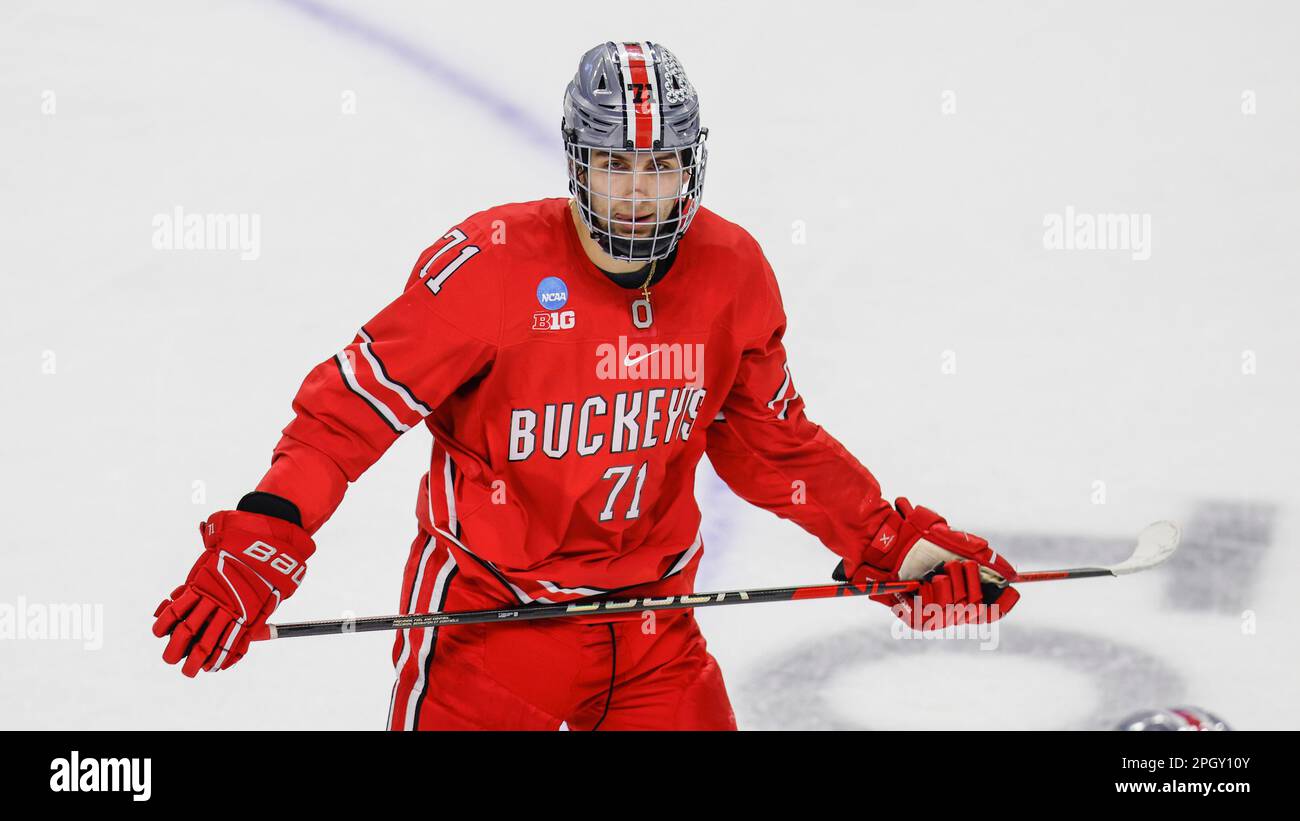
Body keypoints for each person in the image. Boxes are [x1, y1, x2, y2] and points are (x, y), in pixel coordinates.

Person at [152, 40, 1021, 730]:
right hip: (489, 633)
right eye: (614, 163)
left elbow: (773, 444)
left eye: (662, 163)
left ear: (693, 163)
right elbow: (348, 411)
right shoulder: (490, 268)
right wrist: (264, 534)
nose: (640, 192)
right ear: (576, 159)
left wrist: (897, 550)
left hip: (656, 638)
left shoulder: (733, 272)